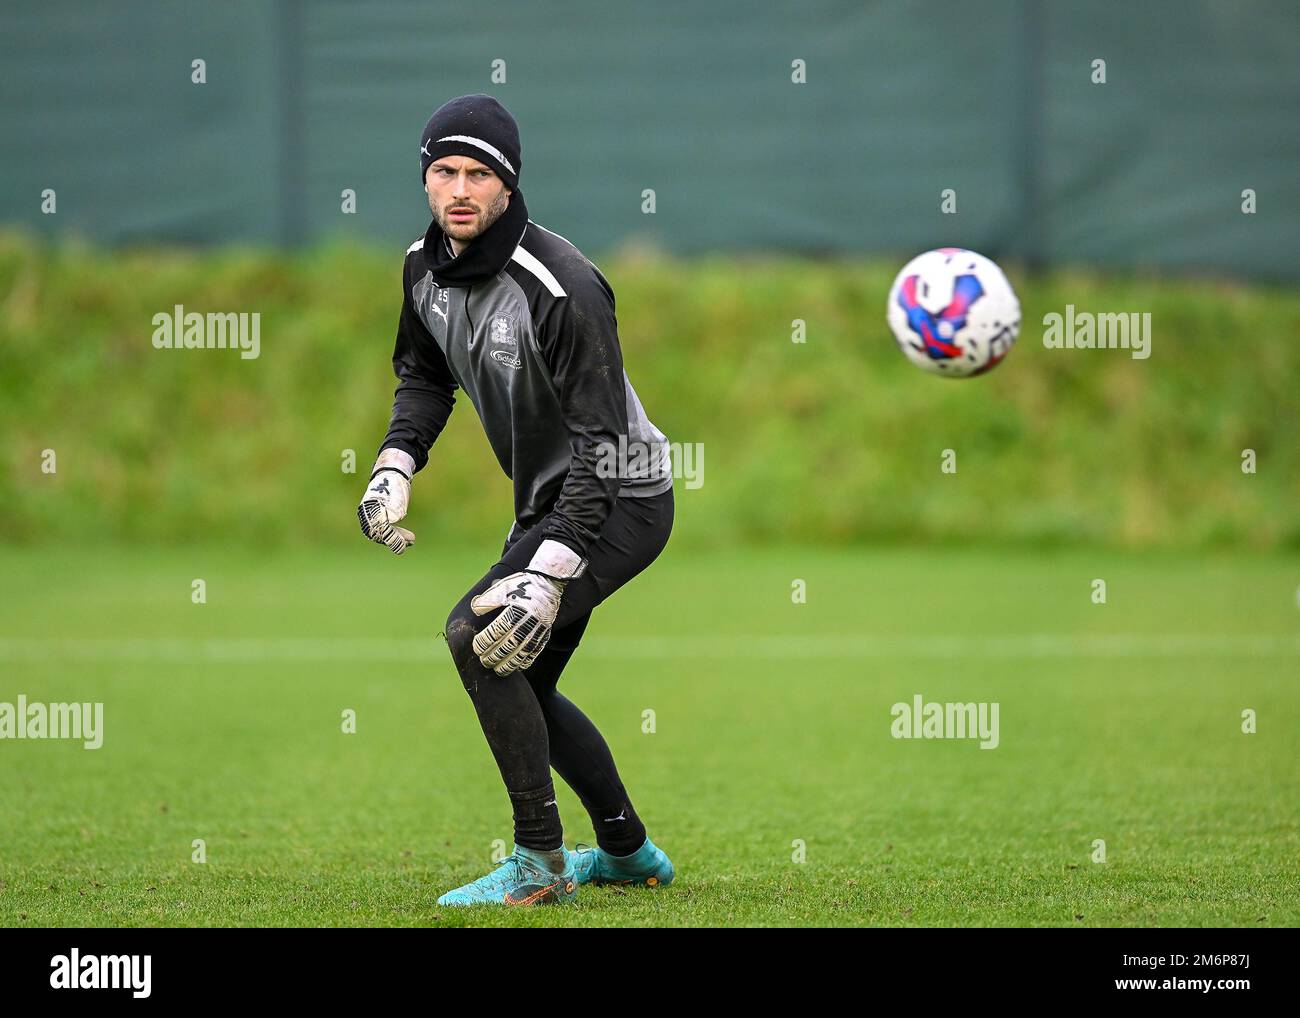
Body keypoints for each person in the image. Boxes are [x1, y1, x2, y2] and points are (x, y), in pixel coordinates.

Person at [357, 94, 676, 906]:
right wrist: (397, 461)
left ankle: (539, 863)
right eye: (443, 172)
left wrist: (551, 567)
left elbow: (603, 443)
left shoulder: (562, 285)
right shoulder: (418, 270)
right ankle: (628, 851)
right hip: (551, 502)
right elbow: (424, 377)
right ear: (426, 181)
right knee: (519, 678)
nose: (459, 189)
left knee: (478, 637)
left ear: (507, 185)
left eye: (478, 174)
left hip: (623, 499)